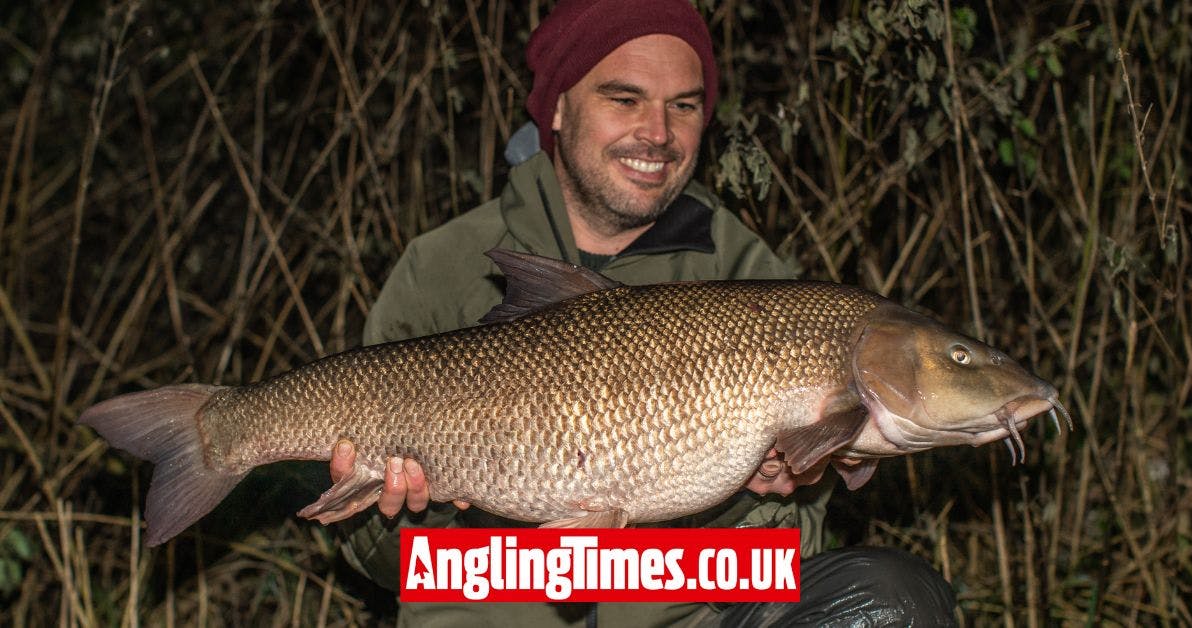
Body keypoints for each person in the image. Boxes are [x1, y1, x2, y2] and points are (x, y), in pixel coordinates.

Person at [327, 0, 958, 625]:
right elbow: (379, 566)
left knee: (897, 601)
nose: (658, 132)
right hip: (491, 617)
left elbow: (787, 557)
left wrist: (757, 489)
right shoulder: (442, 267)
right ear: (556, 107)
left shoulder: (749, 274)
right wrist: (420, 509)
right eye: (624, 99)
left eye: (683, 105)